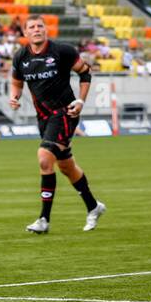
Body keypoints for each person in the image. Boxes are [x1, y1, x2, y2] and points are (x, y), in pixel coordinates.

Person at [9, 15, 104, 234]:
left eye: (40, 26)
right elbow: (16, 84)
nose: (36, 29)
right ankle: (93, 206)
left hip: (65, 113)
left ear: (46, 30)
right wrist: (14, 97)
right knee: (66, 166)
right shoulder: (20, 57)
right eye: (31, 27)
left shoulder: (63, 51)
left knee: (44, 158)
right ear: (25, 33)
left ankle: (44, 219)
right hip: (43, 117)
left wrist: (80, 101)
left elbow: (85, 72)